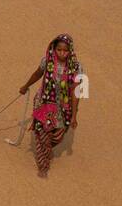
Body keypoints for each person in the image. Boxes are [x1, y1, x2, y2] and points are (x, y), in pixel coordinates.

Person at [18, 34, 81, 179]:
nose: (62, 53)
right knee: (43, 134)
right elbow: (37, 74)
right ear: (54, 48)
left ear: (70, 51)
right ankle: (43, 165)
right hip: (44, 102)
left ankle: (47, 150)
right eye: (59, 50)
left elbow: (75, 92)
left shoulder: (76, 67)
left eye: (65, 51)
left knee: (58, 136)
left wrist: (74, 116)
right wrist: (26, 85)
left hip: (63, 107)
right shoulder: (47, 61)